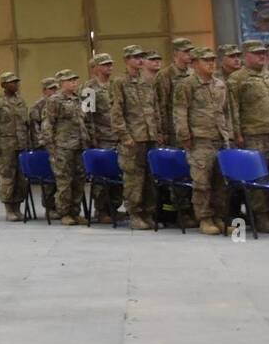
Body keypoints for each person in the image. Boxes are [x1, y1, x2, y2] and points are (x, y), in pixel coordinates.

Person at [227, 39, 269, 235]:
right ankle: (260, 216)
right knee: (258, 177)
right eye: (256, 53)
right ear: (246, 56)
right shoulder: (237, 79)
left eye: (263, 52)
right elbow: (233, 109)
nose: (262, 56)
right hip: (254, 134)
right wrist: (236, 134)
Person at [174, 48, 232, 235]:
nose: (211, 63)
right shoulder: (187, 84)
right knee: (202, 183)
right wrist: (184, 136)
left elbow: (227, 112)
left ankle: (219, 217)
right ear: (195, 63)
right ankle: (205, 218)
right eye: (206, 60)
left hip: (220, 138)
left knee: (220, 182)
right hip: (200, 140)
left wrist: (229, 134)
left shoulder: (220, 84)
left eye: (213, 60)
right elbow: (180, 112)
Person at [110, 45, 161, 230]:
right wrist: (124, 136)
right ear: (126, 60)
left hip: (149, 137)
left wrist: (158, 131)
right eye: (135, 57)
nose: (140, 60)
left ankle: (147, 212)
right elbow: (117, 112)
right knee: (134, 178)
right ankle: (134, 213)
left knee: (149, 178)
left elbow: (154, 109)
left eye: (141, 57)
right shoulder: (119, 82)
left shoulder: (147, 82)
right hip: (133, 138)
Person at [154, 38, 196, 227]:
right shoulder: (165, 75)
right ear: (176, 54)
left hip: (193, 130)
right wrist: (161, 131)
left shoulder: (193, 73)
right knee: (177, 173)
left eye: (191, 52)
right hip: (173, 132)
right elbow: (161, 105)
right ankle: (181, 211)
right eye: (186, 52)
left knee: (192, 173)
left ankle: (194, 209)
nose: (189, 55)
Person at [42, 69, 89, 225]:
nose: (74, 83)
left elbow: (85, 121)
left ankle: (75, 212)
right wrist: (51, 148)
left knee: (79, 180)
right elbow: (48, 124)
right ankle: (64, 213)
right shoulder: (55, 100)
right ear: (61, 83)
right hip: (62, 147)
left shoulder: (79, 99)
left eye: (75, 80)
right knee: (64, 181)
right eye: (70, 80)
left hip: (79, 146)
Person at [0, 72, 29, 221]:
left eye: (16, 82)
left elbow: (25, 124)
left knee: (21, 178)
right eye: (11, 82)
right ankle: (8, 209)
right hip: (5, 147)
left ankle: (18, 207)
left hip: (21, 145)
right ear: (3, 85)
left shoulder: (21, 101)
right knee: (8, 178)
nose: (15, 84)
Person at [84, 53, 119, 223]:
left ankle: (114, 207)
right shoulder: (89, 88)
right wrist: (92, 138)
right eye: (105, 64)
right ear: (96, 67)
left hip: (118, 135)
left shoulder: (115, 85)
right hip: (102, 137)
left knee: (119, 175)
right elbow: (86, 115)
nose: (109, 67)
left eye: (110, 64)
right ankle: (101, 210)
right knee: (102, 177)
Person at [30, 76, 59, 213]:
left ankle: (61, 206)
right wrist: (43, 146)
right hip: (45, 148)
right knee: (49, 179)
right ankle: (49, 207)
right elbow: (35, 129)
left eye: (56, 88)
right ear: (44, 90)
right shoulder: (38, 106)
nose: (55, 91)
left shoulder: (59, 103)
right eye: (51, 89)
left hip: (60, 146)